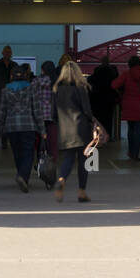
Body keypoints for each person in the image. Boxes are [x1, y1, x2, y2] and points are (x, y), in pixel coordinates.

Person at [53, 60, 96, 203]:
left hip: (65, 129)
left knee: (68, 158)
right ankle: (82, 192)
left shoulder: (57, 89)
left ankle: (62, 179)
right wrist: (93, 122)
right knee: (84, 161)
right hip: (82, 127)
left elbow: (53, 113)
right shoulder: (80, 87)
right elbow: (87, 110)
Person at [0, 64, 42, 192]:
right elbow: (37, 110)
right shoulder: (31, 89)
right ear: (25, 75)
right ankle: (22, 176)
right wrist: (42, 130)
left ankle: (22, 176)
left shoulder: (6, 90)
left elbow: (2, 111)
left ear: (12, 76)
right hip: (28, 126)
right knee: (28, 153)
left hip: (12, 127)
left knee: (17, 153)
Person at [112, 55, 140, 161]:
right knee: (138, 131)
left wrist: (122, 91)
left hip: (128, 105)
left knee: (131, 129)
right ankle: (135, 154)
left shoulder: (126, 74)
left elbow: (114, 85)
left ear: (129, 64)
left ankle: (131, 152)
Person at [35, 60, 58, 167]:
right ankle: (52, 162)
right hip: (53, 115)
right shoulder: (57, 81)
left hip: (39, 115)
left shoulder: (37, 81)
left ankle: (40, 161)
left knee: (39, 140)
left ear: (43, 70)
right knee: (52, 141)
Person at [89, 56, 119, 141]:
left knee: (98, 119)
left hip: (97, 98)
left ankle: (98, 136)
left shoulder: (97, 70)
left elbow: (90, 80)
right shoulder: (112, 70)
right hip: (109, 99)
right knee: (108, 119)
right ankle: (108, 136)